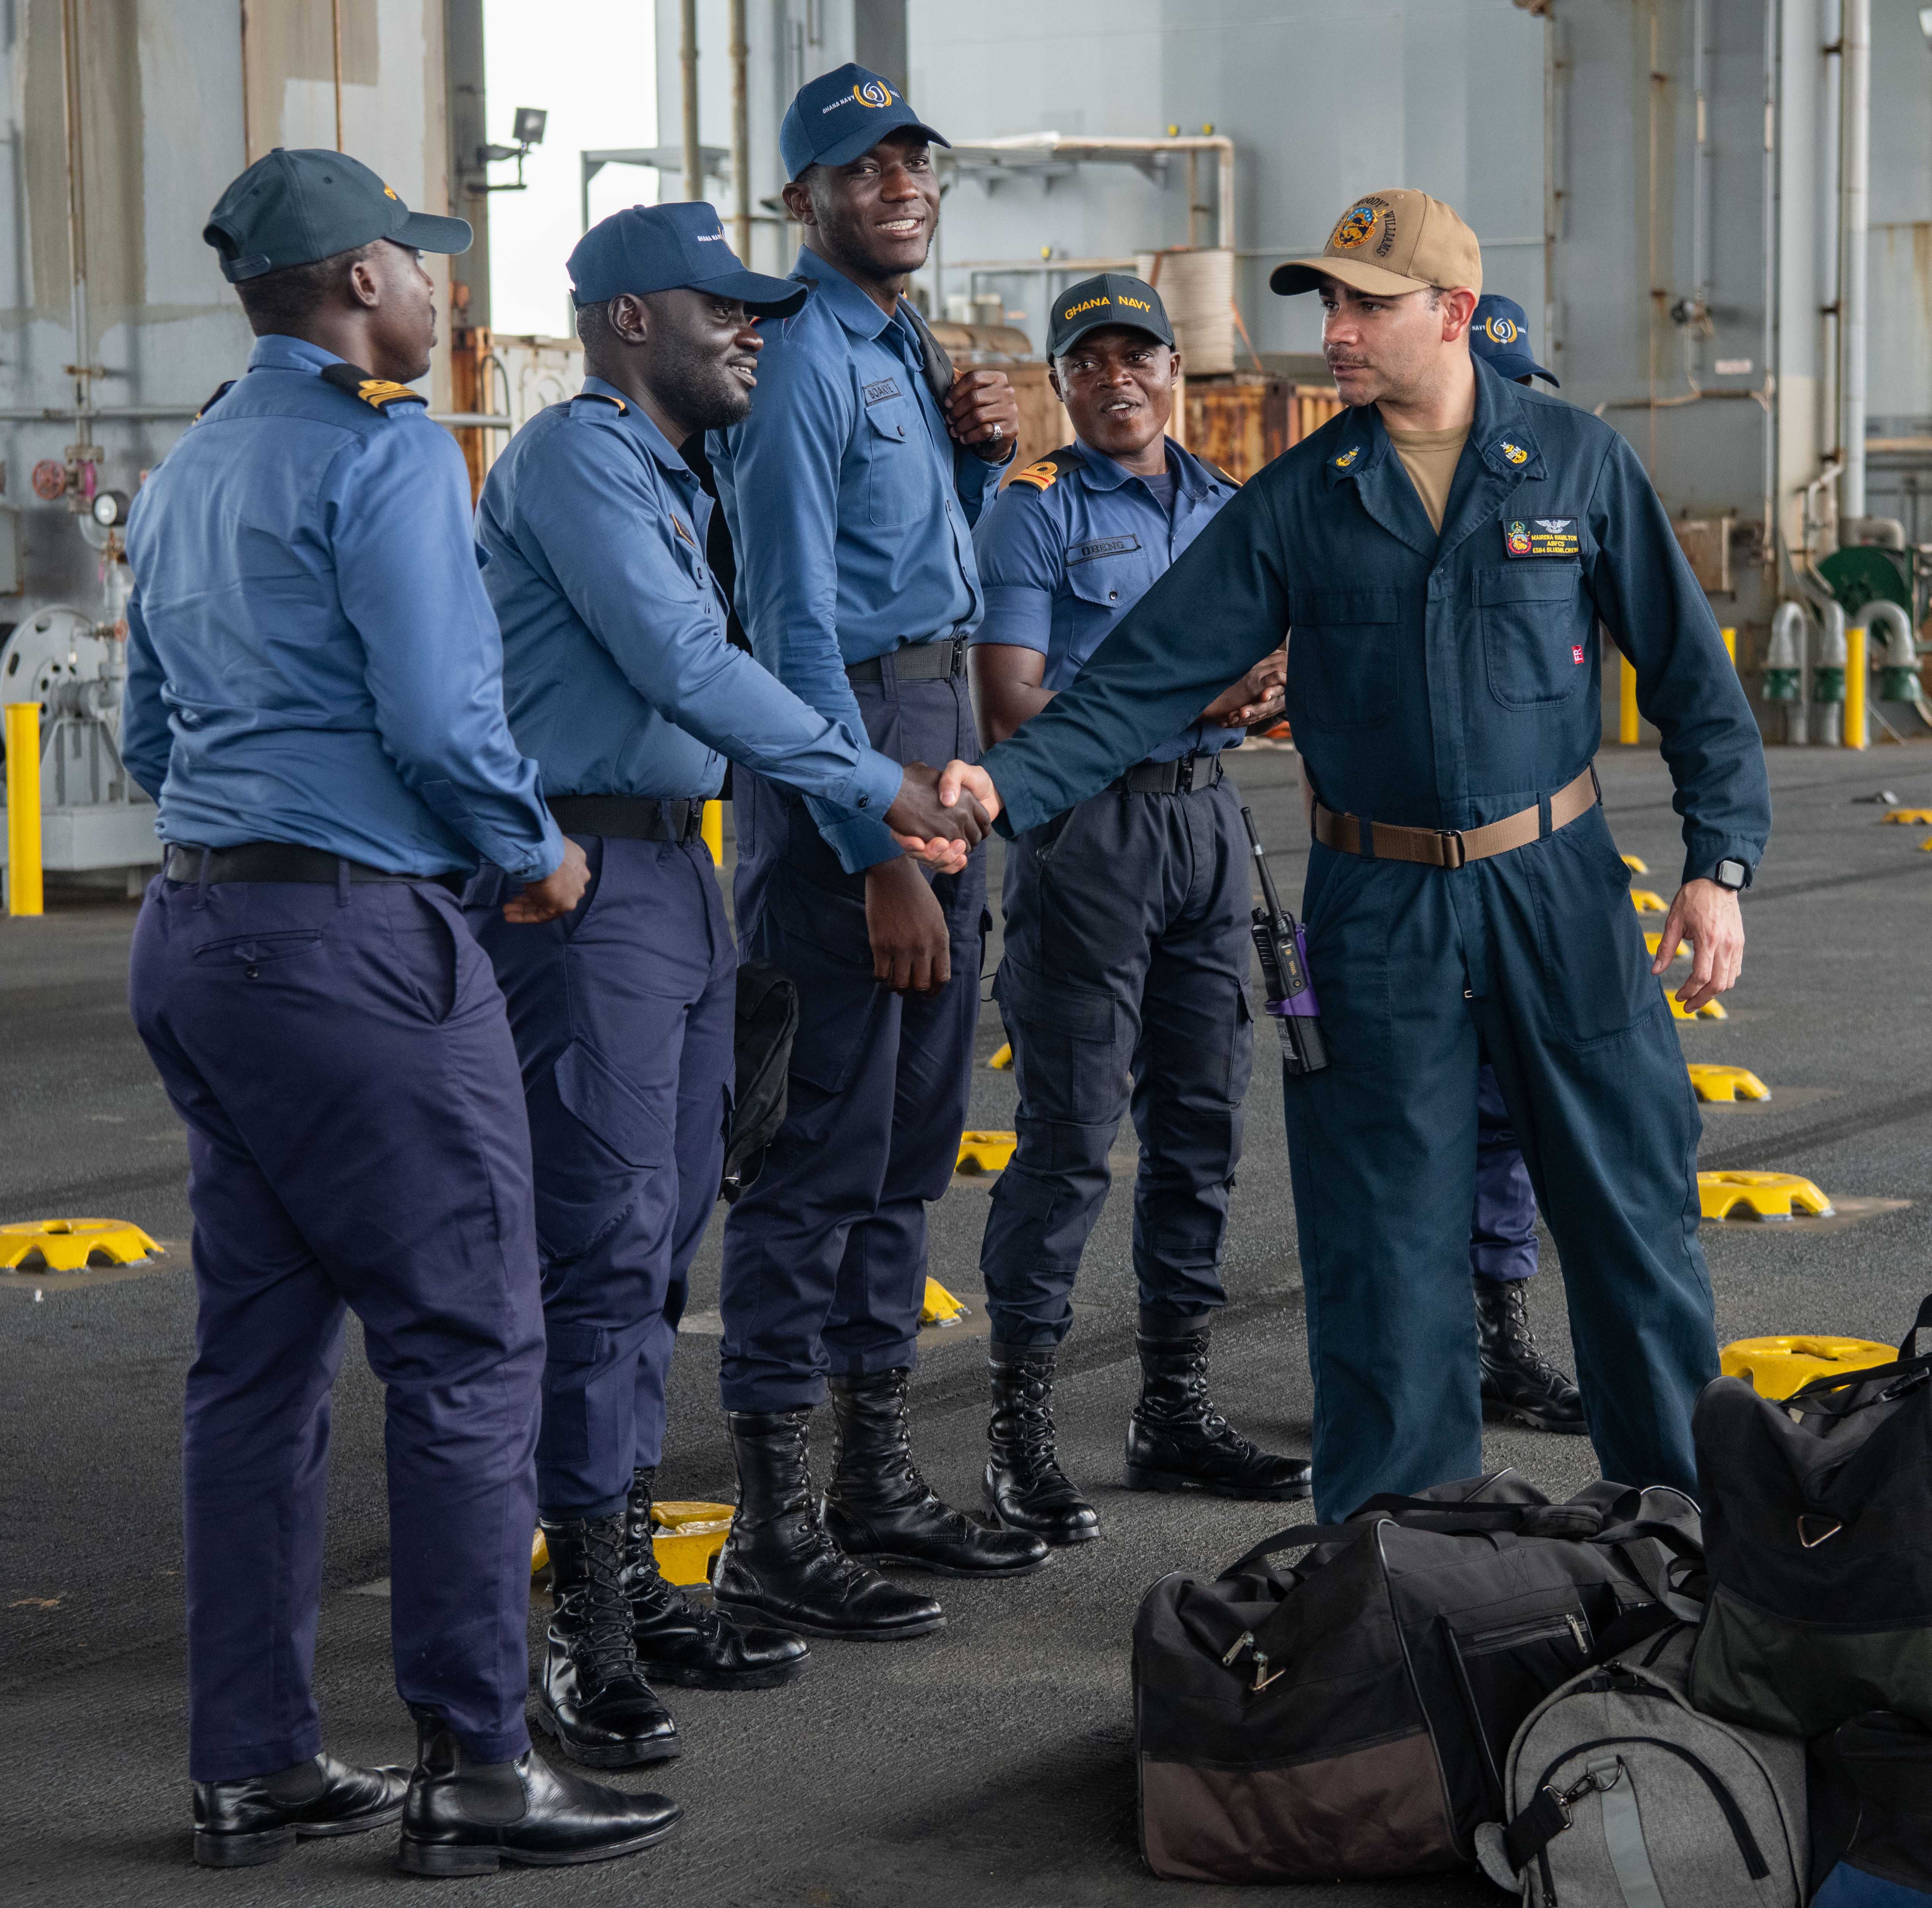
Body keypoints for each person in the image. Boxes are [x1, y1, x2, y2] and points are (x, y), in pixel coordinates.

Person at [942, 188, 1770, 1523]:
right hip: (1376, 905)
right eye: (1328, 301)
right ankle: (1403, 1553)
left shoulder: (1575, 464)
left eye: (1366, 304)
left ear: (1452, 313)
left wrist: (1718, 869)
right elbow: (1145, 678)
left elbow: (1695, 685)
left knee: (1630, 1207)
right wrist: (1002, 786)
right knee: (1382, 1236)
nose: (1335, 329)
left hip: (1556, 889)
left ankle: (1683, 1533)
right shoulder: (1300, 499)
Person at [123, 148, 678, 1876]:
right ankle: (478, 1762)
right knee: (468, 1346)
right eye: (422, 261)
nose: (441, 289)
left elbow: (146, 732)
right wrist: (536, 852)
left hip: (200, 931)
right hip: (358, 950)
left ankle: (255, 1766)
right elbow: (443, 719)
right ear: (364, 279)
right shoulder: (385, 454)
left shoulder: (189, 466)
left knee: (255, 1365)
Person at [465, 200, 992, 1760]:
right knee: (603, 1243)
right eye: (723, 308)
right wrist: (880, 789)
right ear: (632, 320)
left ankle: (628, 1571)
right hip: (585, 881)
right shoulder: (576, 461)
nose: (751, 330)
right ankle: (585, 1622)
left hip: (670, 873)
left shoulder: (669, 473)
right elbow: (687, 667)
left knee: (660, 1238)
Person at [704, 63, 1048, 1642]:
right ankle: (774, 1522)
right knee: (818, 1151)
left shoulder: (899, 339)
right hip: (843, 748)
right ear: (803, 199)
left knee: (910, 1141)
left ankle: (872, 1477)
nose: (900, 183)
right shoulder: (795, 357)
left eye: (914, 159)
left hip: (931, 714)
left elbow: (908, 557)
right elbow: (786, 625)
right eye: (863, 166)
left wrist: (975, 463)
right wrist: (876, 850)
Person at [966, 273, 1310, 1547]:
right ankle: (1020, 1434)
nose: (1117, 379)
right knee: (1068, 1135)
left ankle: (1175, 1407)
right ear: (1062, 382)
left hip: (1208, 824)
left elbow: (1273, 659)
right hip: (1089, 834)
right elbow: (1012, 708)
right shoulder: (1033, 508)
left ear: (1176, 370)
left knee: (1203, 1125)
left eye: (1139, 355)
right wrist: (1203, 700)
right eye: (1090, 361)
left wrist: (1269, 690)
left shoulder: (1229, 506)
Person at [1460, 291, 1584, 1437]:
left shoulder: (1562, 506)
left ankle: (1500, 1339)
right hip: (1403, 879)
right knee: (1397, 1128)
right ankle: (1406, 1352)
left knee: (1508, 1116)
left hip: (1536, 872)